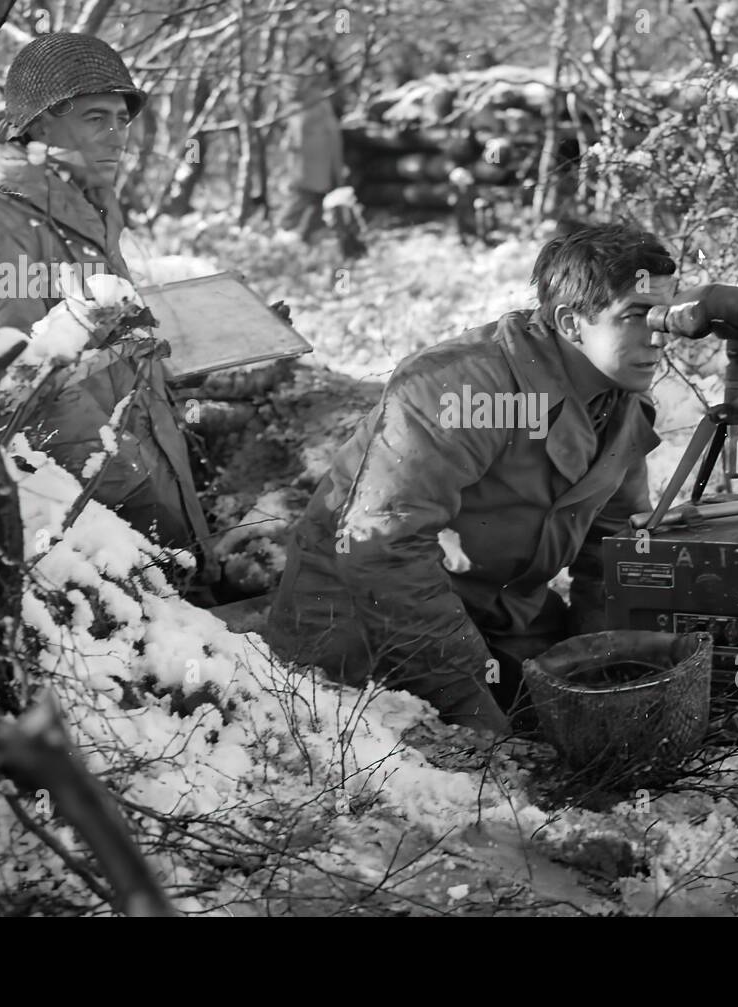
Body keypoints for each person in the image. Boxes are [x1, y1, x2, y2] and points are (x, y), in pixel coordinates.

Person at [265, 223, 678, 734]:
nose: (658, 335)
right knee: (474, 766)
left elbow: (609, 555)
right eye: (636, 315)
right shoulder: (466, 388)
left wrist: (604, 671)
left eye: (665, 314)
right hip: (364, 619)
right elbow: (380, 548)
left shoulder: (623, 404)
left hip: (501, 615)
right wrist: (466, 698)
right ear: (572, 323)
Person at [0, 32, 210, 570]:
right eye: (95, 118)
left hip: (137, 464)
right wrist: (135, 490)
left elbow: (108, 333)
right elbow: (19, 386)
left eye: (121, 118)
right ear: (39, 123)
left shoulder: (87, 201)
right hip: (85, 509)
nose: (117, 137)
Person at [278, 69, 345, 243]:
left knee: (313, 201)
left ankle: (304, 236)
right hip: (311, 166)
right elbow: (330, 136)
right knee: (304, 199)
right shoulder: (310, 106)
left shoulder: (309, 105)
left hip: (312, 165)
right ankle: (287, 232)